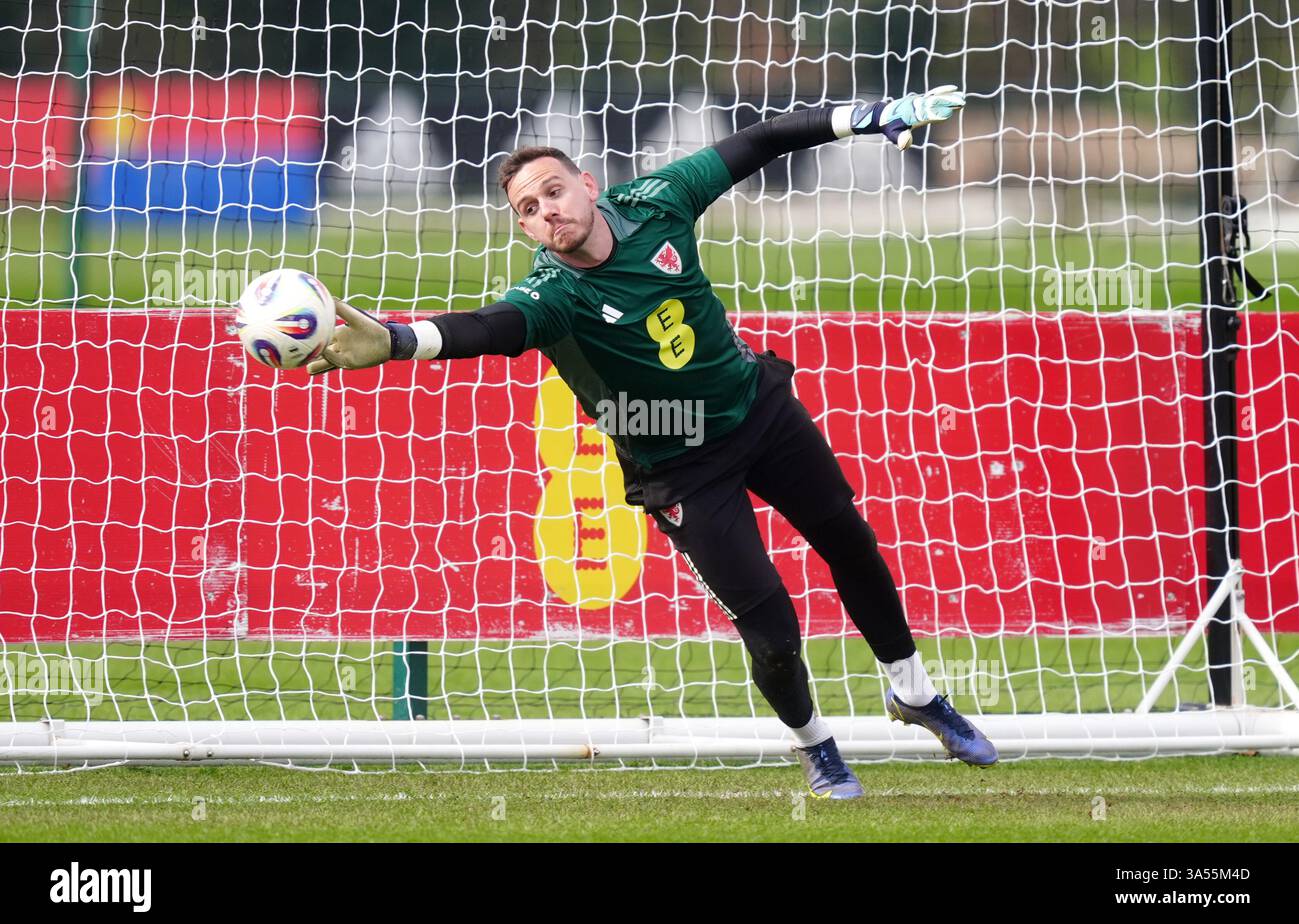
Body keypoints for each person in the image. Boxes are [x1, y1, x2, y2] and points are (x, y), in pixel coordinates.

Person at [308, 86, 997, 798]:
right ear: (526, 231)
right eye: (529, 210)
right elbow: (485, 329)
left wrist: (863, 118)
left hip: (756, 408)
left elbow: (760, 141)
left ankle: (915, 694)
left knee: (849, 542)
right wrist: (395, 340)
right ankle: (817, 747)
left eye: (553, 191)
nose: (547, 211)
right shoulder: (551, 297)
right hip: (680, 465)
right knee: (773, 629)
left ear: (589, 184)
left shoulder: (659, 199)